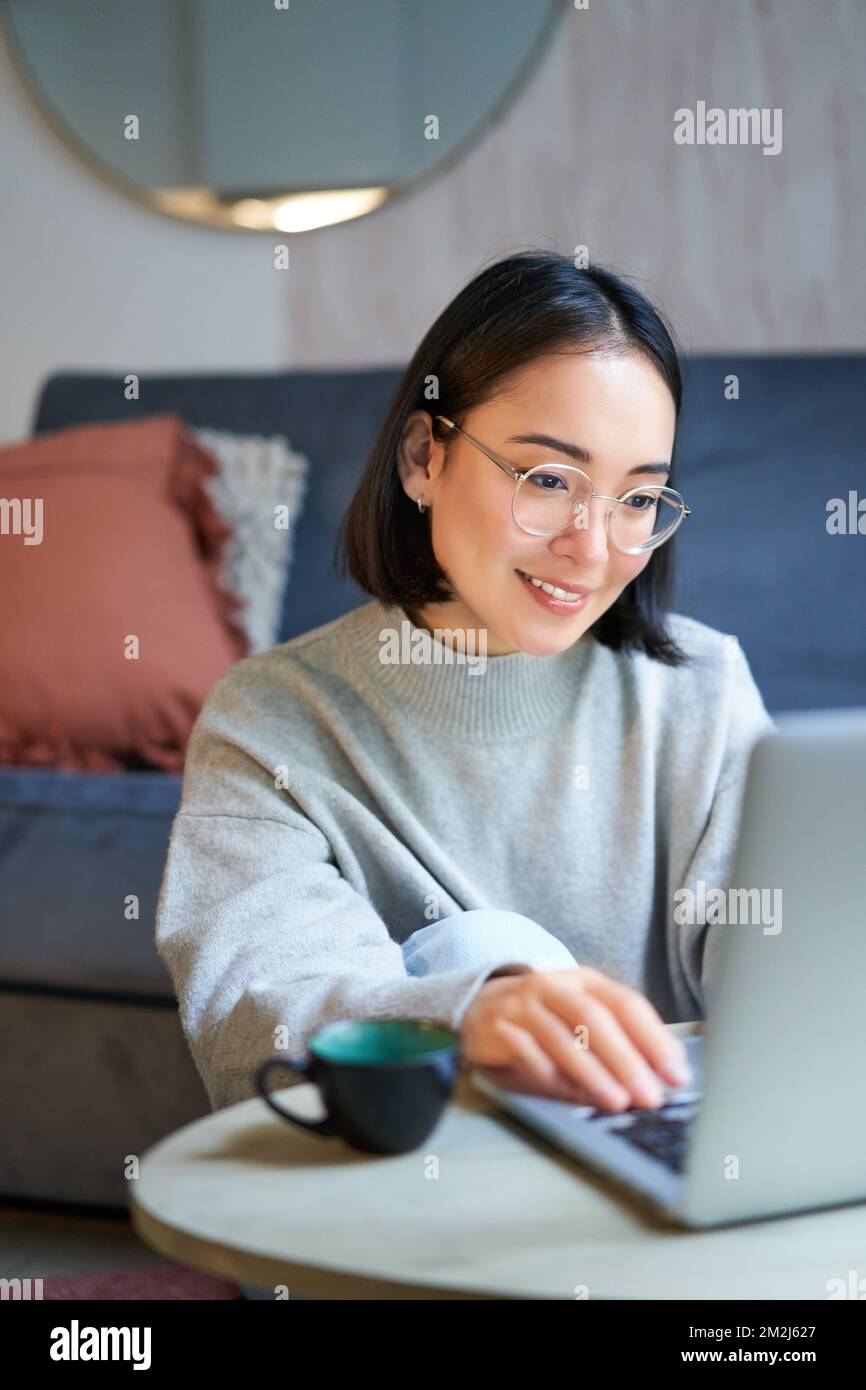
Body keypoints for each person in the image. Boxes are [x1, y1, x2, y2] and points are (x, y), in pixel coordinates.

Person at [155, 250, 775, 1142]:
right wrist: (471, 1012)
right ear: (423, 457)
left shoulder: (704, 694)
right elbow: (263, 1009)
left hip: (664, 1192)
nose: (592, 547)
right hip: (405, 1200)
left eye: (637, 498)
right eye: (549, 480)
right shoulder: (271, 723)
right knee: (477, 949)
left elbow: (788, 974)